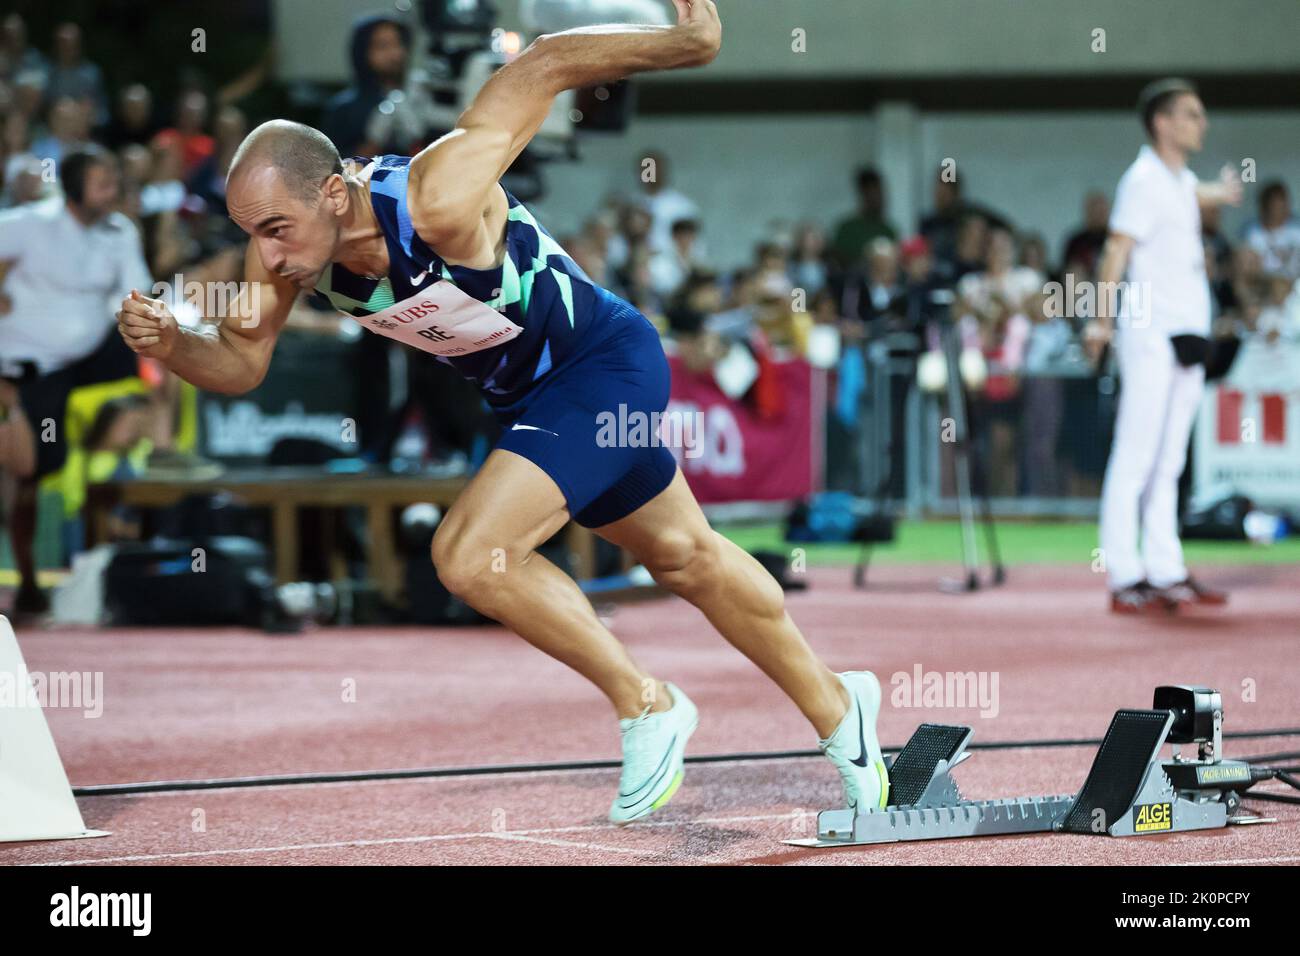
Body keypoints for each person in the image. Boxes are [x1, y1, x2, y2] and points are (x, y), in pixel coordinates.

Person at [116, 1, 891, 825]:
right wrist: (174, 341)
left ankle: (648, 702)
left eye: (275, 228)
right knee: (685, 557)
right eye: (251, 235)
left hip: (603, 364)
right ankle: (846, 719)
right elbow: (239, 363)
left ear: (336, 192)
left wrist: (684, 43)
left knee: (469, 555)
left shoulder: (436, 198)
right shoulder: (284, 259)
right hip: (535, 400)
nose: (265, 255)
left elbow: (540, 64)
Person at [1085, 78, 1241, 613]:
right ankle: (1124, 574)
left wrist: (1220, 191)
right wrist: (1099, 325)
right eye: (1192, 115)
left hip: (1189, 331)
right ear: (1162, 123)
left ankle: (1165, 565)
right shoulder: (1143, 180)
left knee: (1171, 457)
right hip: (1151, 333)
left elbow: (1195, 192)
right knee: (1136, 453)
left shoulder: (1177, 181)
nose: (1203, 123)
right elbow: (1115, 251)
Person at [0, 145, 150, 617]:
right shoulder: (29, 223)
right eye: (102, 180)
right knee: (25, 471)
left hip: (79, 361)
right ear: (73, 186)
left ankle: (161, 450)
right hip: (20, 364)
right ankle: (26, 575)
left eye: (114, 179)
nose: (113, 189)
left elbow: (136, 291)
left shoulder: (119, 231)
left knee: (173, 341)